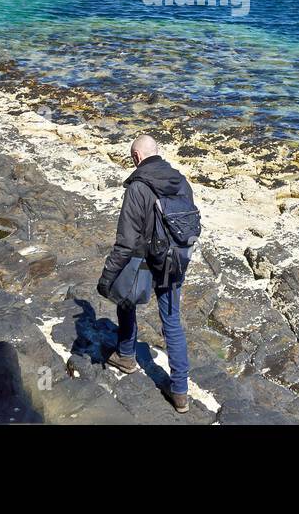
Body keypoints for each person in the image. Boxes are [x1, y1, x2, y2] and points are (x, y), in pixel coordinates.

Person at [96, 134, 194, 413]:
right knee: (172, 321)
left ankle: (126, 356)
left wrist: (107, 278)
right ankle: (180, 392)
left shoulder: (138, 186)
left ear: (136, 158)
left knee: (125, 300)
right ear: (156, 152)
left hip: (146, 259)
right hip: (176, 258)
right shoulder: (181, 180)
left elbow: (125, 241)